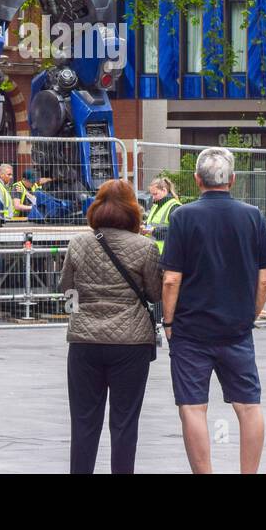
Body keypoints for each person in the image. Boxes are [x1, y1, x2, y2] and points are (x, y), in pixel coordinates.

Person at [161, 147, 266, 475]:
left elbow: (171, 279)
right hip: (236, 330)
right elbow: (265, 281)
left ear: (197, 180)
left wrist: (168, 322)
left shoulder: (183, 217)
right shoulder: (253, 216)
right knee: (248, 405)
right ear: (234, 180)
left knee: (192, 408)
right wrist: (250, 316)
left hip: (191, 330)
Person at [59, 179, 161, 474]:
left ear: (97, 208)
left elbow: (67, 289)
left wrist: (78, 315)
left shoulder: (78, 243)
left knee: (83, 422)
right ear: (133, 211)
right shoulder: (145, 247)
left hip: (84, 343)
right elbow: (155, 294)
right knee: (125, 422)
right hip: (130, 344)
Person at [142, 176, 181, 254]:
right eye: (152, 194)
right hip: (152, 252)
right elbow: (151, 224)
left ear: (164, 190)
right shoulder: (156, 205)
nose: (153, 198)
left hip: (165, 254)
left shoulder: (174, 206)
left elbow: (177, 231)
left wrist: (154, 231)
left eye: (155, 194)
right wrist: (144, 226)